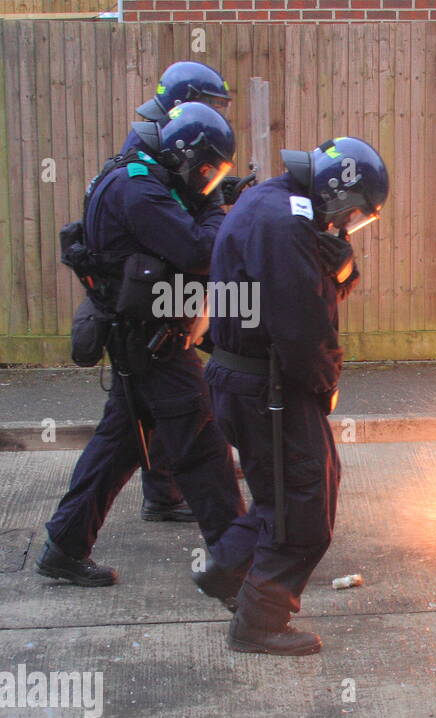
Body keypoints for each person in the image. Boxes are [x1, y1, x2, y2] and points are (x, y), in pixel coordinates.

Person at [37, 103, 245, 587]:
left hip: (140, 337)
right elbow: (197, 250)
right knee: (202, 447)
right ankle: (241, 567)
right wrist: (217, 208)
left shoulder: (141, 174)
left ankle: (64, 546)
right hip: (153, 341)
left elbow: (176, 225)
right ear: (182, 153)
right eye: (205, 171)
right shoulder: (138, 187)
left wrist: (206, 200)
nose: (205, 182)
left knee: (119, 443)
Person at [197, 137, 388, 656]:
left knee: (284, 495)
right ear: (334, 188)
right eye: (350, 212)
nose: (347, 225)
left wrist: (342, 270)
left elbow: (302, 292)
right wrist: (326, 384)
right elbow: (302, 325)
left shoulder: (271, 203)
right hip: (270, 388)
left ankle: (225, 569)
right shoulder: (286, 227)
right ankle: (260, 622)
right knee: (303, 510)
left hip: (243, 382)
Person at [121, 61, 236, 523]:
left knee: (135, 421)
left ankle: (164, 490)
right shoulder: (148, 157)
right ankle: (232, 545)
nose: (213, 113)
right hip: (161, 300)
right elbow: (190, 243)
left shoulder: (159, 141)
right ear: (185, 100)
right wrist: (215, 205)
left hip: (164, 294)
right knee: (190, 404)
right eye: (208, 104)